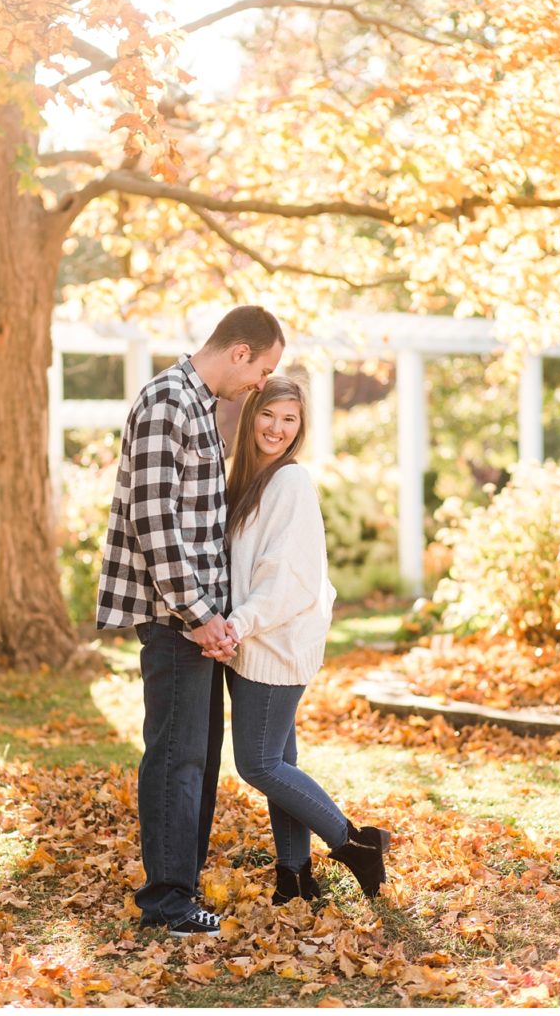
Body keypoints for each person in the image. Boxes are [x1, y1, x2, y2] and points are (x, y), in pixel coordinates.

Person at [97, 305, 285, 937]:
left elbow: (199, 527)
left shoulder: (198, 405)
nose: (261, 384)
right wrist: (200, 616)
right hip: (175, 618)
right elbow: (156, 523)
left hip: (199, 620)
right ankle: (167, 904)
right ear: (238, 352)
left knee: (196, 760)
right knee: (177, 758)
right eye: (262, 369)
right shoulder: (167, 402)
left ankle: (180, 889)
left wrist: (220, 615)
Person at [220, 375, 394, 901]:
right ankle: (295, 877)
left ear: (300, 427)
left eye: (289, 419)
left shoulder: (291, 483)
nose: (276, 427)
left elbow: (286, 577)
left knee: (259, 764)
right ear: (252, 416)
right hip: (253, 643)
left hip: (273, 644)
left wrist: (239, 624)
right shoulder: (254, 480)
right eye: (269, 414)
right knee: (281, 765)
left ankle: (355, 844)